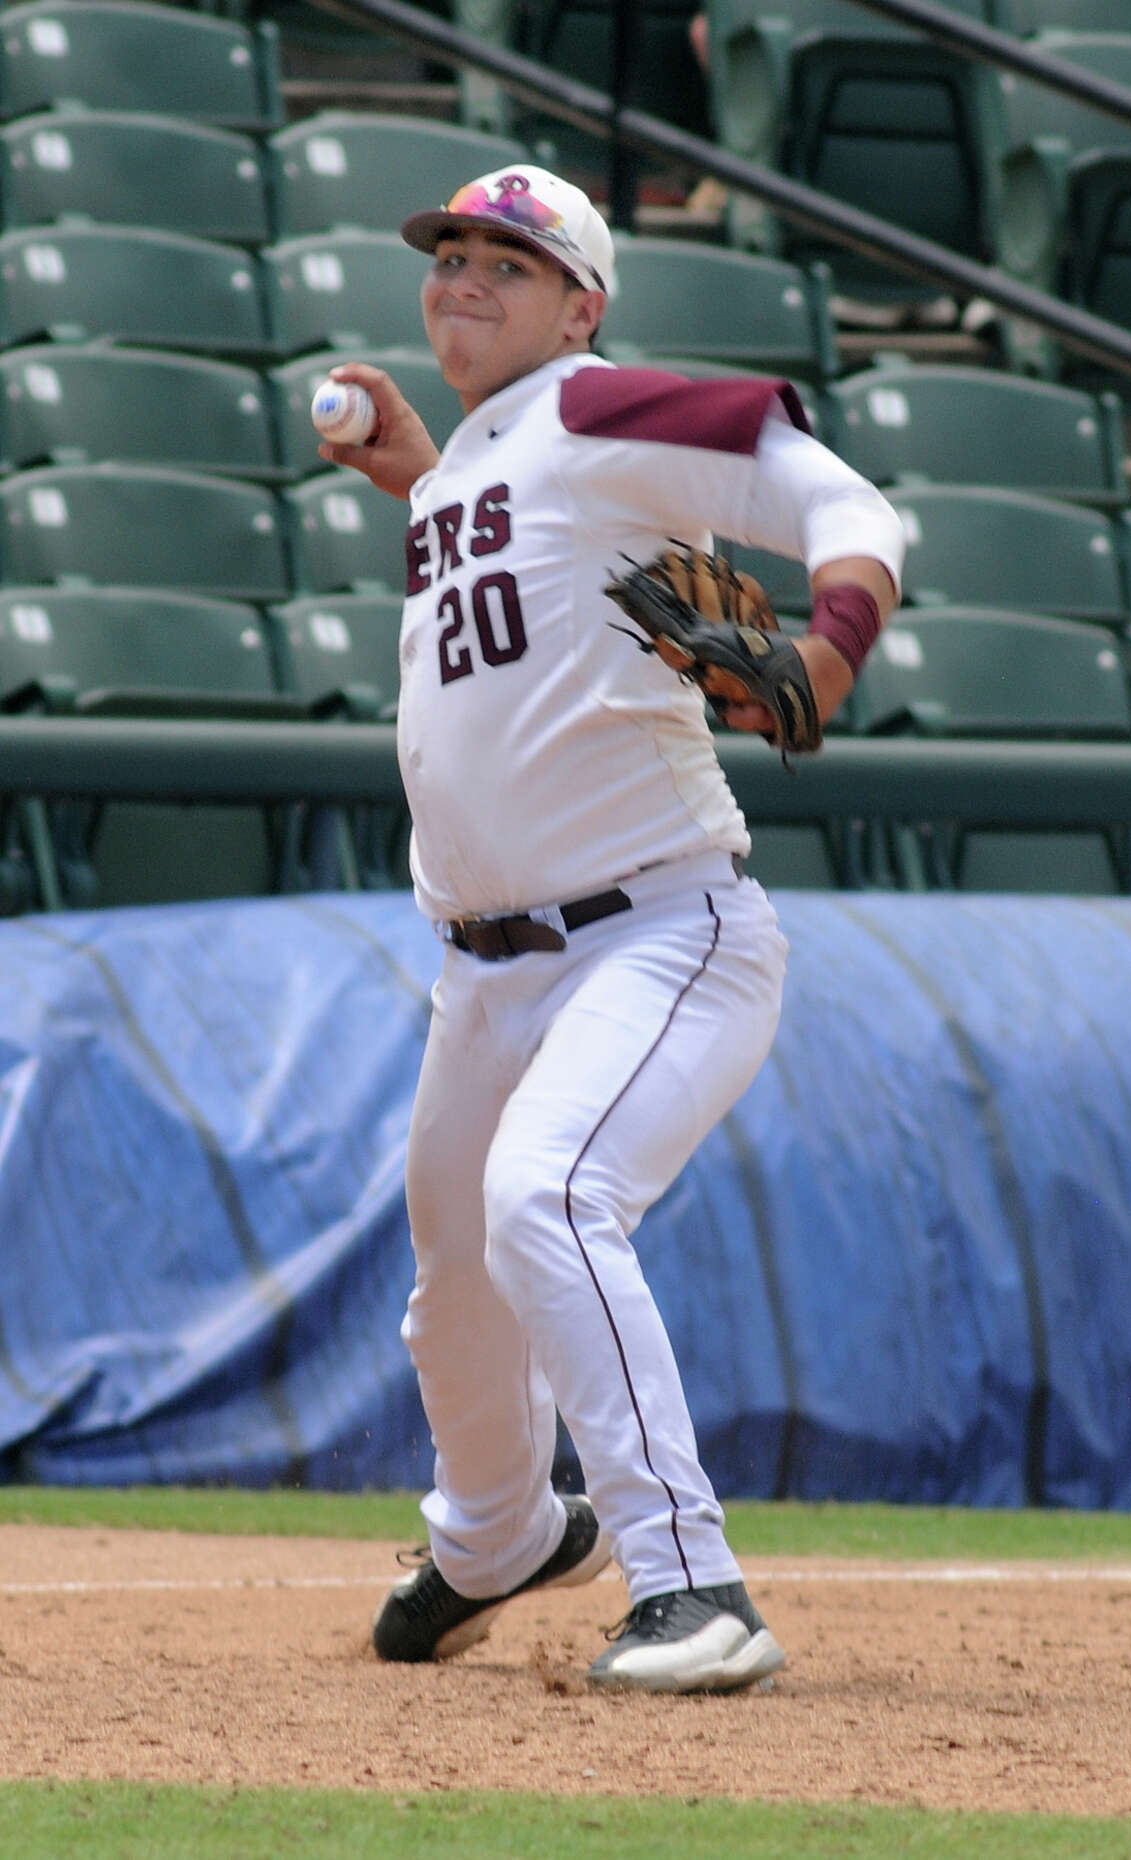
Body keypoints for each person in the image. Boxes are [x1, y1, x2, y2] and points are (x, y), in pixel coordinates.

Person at [317, 163, 905, 1694]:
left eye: (505, 263)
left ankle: (692, 1583)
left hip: (657, 930)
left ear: (581, 309)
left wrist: (830, 648)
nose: (461, 277)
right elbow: (538, 552)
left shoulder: (598, 407)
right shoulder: (486, 461)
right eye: (449, 253)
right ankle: (497, 1534)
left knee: (549, 1197)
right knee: (454, 1285)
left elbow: (848, 504)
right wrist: (422, 476)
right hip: (484, 969)